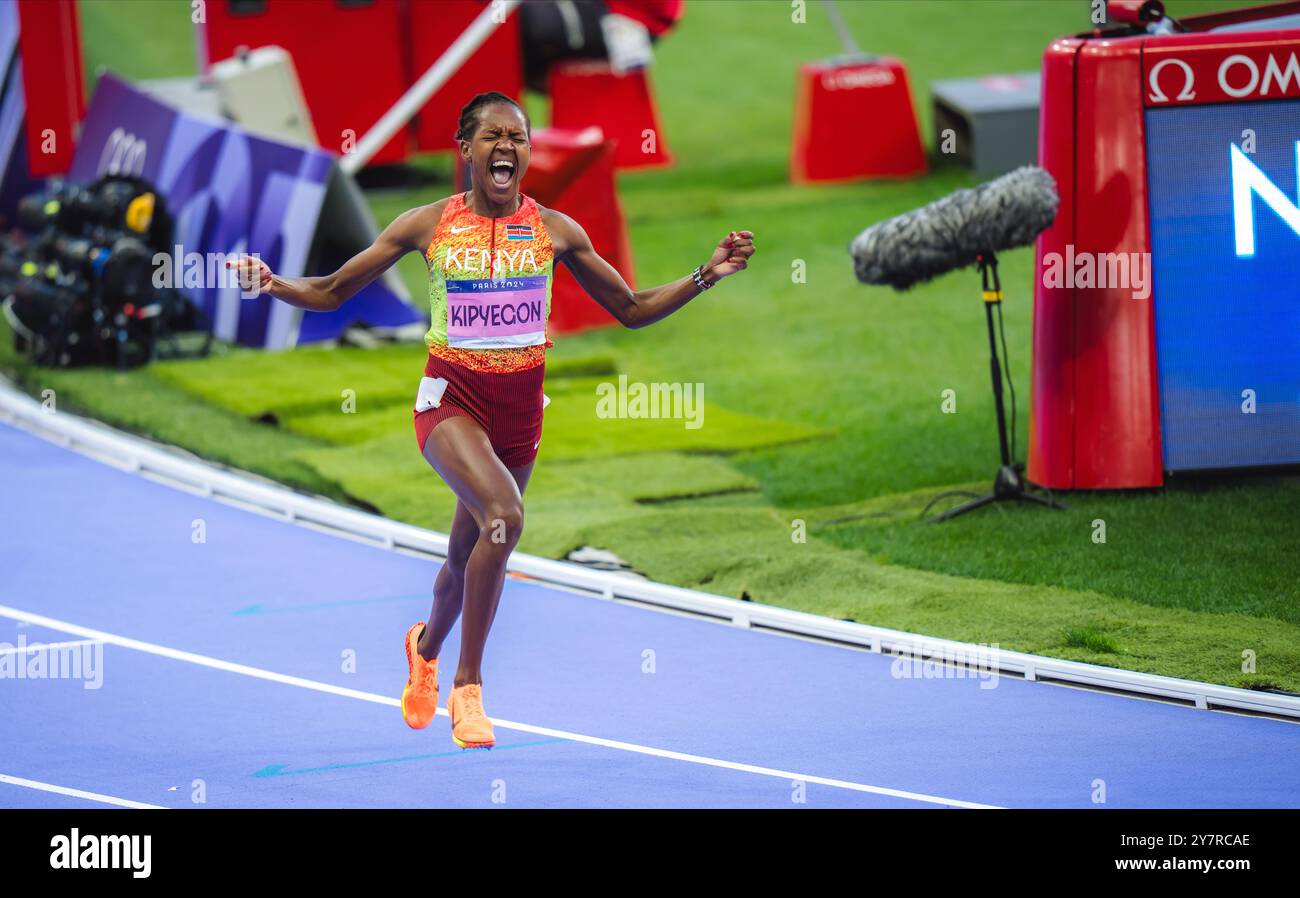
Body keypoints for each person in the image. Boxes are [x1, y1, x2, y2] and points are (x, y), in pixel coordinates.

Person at [229, 90, 755, 749]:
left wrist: (706, 275)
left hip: (519, 420)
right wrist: (273, 283)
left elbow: (631, 307)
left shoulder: (557, 231)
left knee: (464, 557)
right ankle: (467, 689)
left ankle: (425, 648)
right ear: (467, 151)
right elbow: (333, 290)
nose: (507, 147)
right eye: (493, 137)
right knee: (505, 519)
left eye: (519, 138)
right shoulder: (426, 224)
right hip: (451, 405)